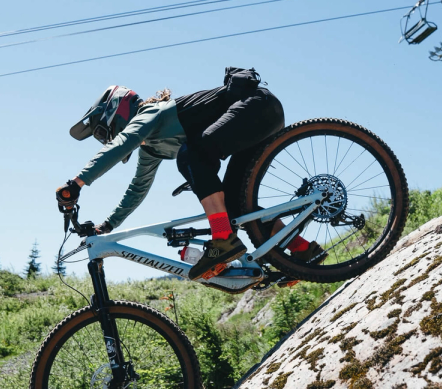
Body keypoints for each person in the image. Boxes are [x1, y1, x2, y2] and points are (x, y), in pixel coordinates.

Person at [56, 72, 321, 280]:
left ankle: (222, 239)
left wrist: (76, 183)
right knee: (235, 206)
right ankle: (302, 250)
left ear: (117, 110)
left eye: (103, 132)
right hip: (258, 121)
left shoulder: (150, 112)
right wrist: (108, 225)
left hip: (257, 106)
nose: (106, 139)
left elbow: (122, 143)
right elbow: (138, 188)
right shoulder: (150, 148)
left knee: (190, 155)